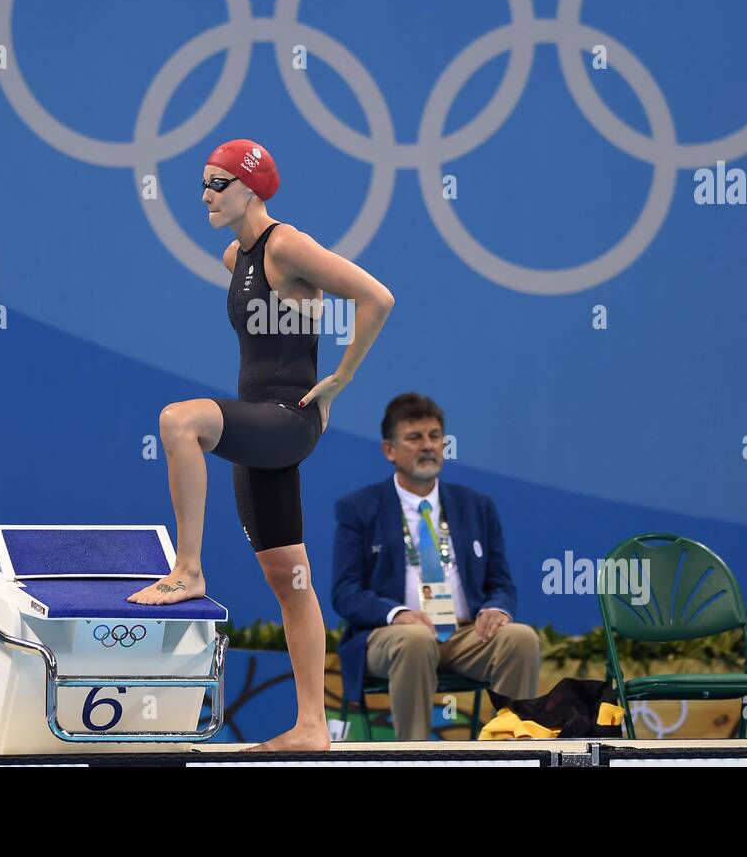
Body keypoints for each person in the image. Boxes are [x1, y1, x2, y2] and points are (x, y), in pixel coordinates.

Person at [128, 138, 394, 752]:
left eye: (218, 183)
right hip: (259, 430)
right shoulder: (235, 256)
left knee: (179, 421)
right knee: (290, 579)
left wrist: (339, 382)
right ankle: (310, 727)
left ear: (252, 188)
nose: (205, 195)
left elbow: (376, 297)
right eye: (203, 182)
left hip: (288, 419)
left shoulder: (286, 245)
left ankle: (188, 570)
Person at [332, 393, 542, 741]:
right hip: (391, 636)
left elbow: (501, 583)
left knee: (521, 639)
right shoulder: (359, 508)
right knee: (415, 640)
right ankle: (412, 757)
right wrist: (398, 613)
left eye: (434, 436)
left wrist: (496, 608)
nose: (427, 446)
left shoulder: (477, 506)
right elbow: (345, 592)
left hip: (465, 633)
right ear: (389, 450)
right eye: (414, 438)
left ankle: (510, 752)